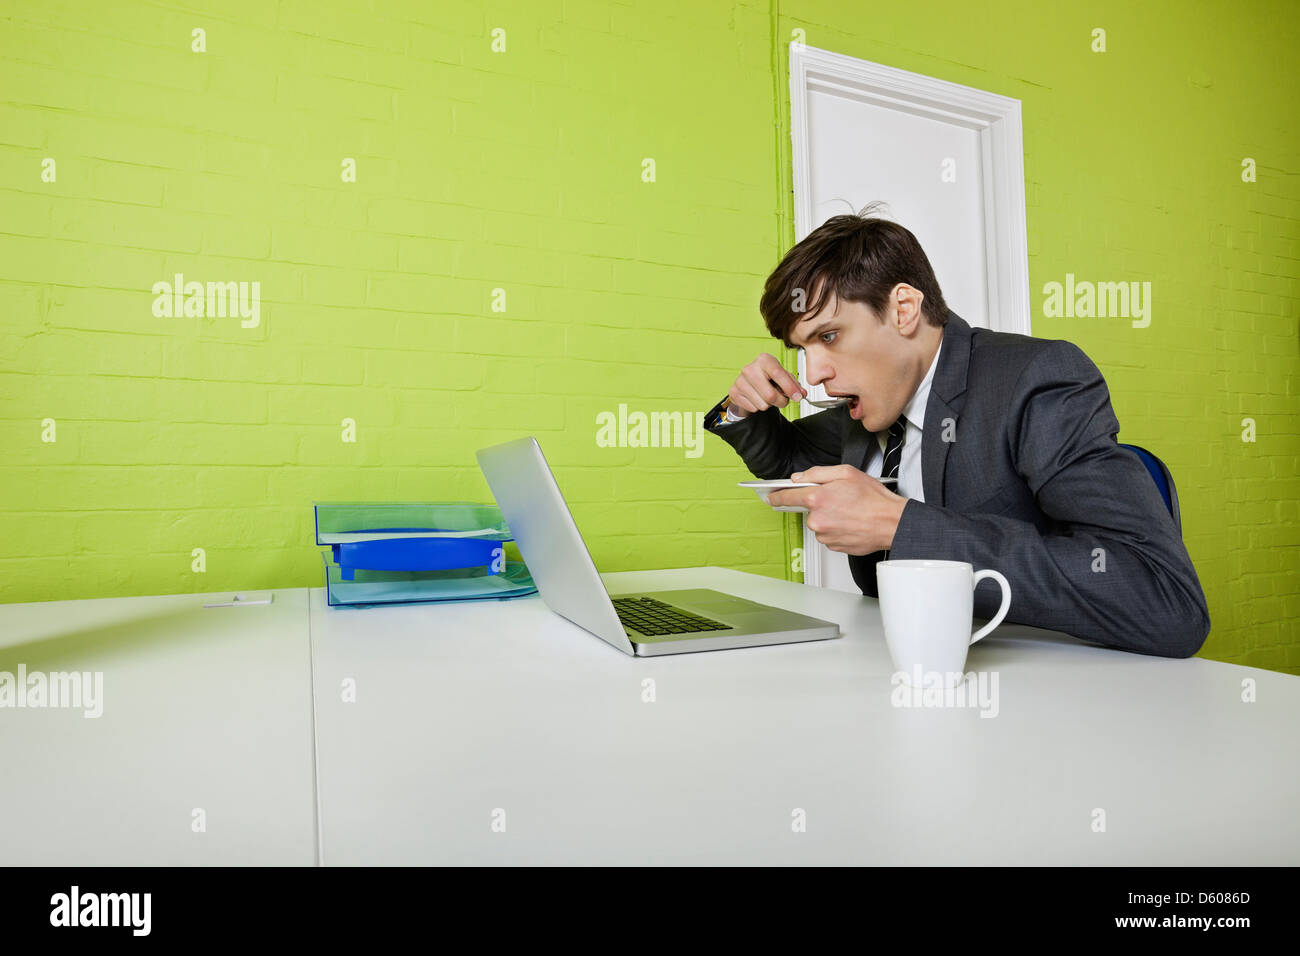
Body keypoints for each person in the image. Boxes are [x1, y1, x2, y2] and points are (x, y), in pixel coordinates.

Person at [704, 207, 1210, 658]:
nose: (814, 375)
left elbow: (1164, 600)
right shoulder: (867, 410)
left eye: (829, 336)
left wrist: (900, 526)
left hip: (1045, 684)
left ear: (903, 310)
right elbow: (789, 464)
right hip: (908, 668)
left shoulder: (1036, 380)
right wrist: (742, 410)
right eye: (803, 350)